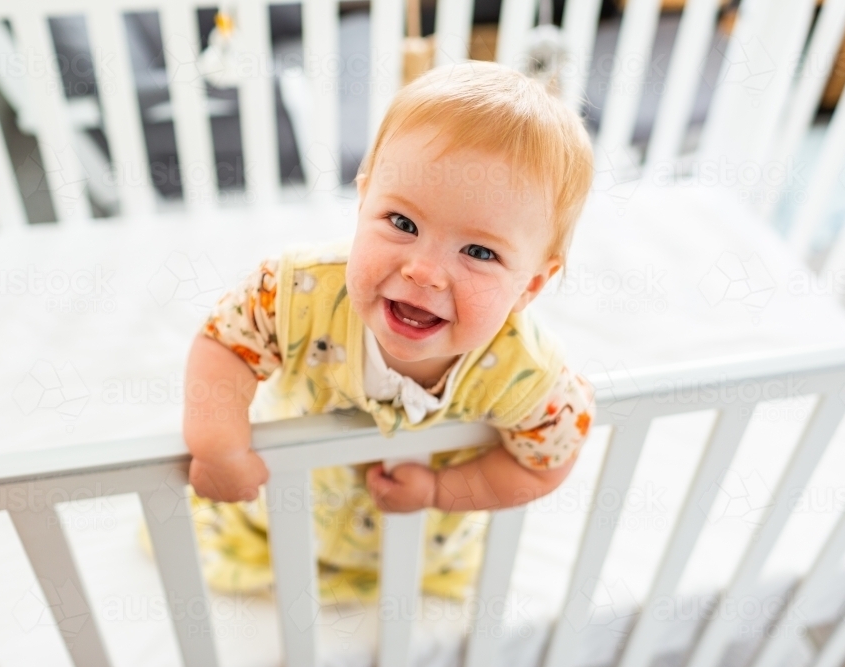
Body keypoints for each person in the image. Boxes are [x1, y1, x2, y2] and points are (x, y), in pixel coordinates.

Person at [182, 61, 597, 603]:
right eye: (402, 223)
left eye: (479, 252)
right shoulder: (298, 293)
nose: (423, 271)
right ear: (363, 201)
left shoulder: (529, 375)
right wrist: (218, 446)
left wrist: (441, 490)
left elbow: (546, 463)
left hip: (416, 548)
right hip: (273, 519)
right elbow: (224, 344)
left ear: (531, 286)